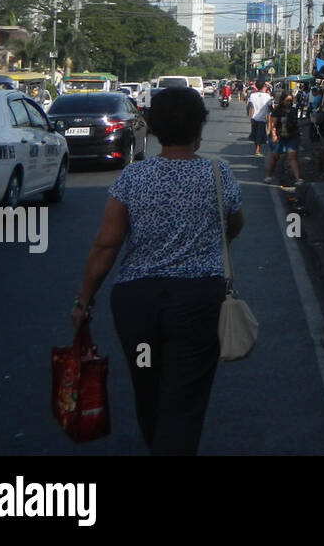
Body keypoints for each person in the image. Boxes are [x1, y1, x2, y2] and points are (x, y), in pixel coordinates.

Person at [70, 87, 243, 456]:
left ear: (152, 128)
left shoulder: (133, 177)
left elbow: (106, 244)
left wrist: (83, 301)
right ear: (200, 127)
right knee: (184, 397)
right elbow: (235, 222)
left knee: (147, 384)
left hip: (137, 305)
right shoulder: (218, 174)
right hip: (197, 303)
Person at [265, 93, 304, 186]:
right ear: (282, 101)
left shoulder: (294, 111)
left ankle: (298, 178)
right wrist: (274, 135)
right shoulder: (277, 111)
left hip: (292, 136)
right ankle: (268, 176)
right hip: (280, 136)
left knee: (292, 156)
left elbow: (296, 123)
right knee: (275, 156)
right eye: (287, 100)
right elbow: (273, 125)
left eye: (291, 100)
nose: (289, 102)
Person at [246, 80, 272, 158]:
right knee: (259, 135)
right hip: (262, 118)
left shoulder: (252, 95)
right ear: (264, 86)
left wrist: (250, 117)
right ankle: (257, 150)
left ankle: (257, 149)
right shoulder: (267, 96)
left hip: (254, 118)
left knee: (256, 134)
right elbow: (270, 107)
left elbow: (251, 107)